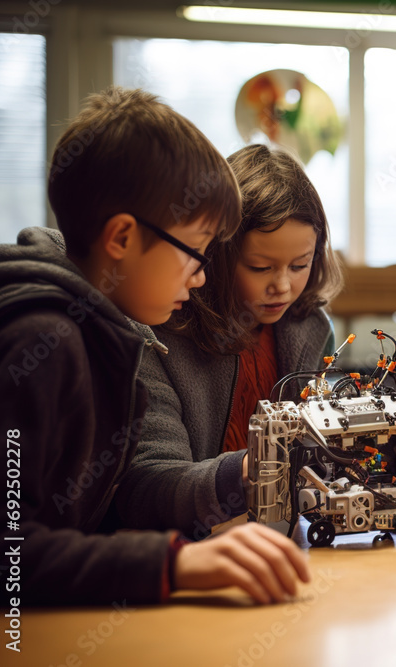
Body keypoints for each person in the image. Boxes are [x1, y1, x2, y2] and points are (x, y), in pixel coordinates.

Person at [0, 88, 311, 606]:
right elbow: (5, 557)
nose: (205, 276)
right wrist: (176, 562)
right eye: (196, 252)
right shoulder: (40, 344)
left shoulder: (98, 334)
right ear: (121, 238)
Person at [115, 144, 342, 537]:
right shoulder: (157, 330)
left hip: (281, 544)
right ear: (215, 255)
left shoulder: (311, 330)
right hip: (189, 556)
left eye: (300, 265)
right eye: (260, 266)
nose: (283, 286)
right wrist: (251, 469)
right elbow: (145, 490)